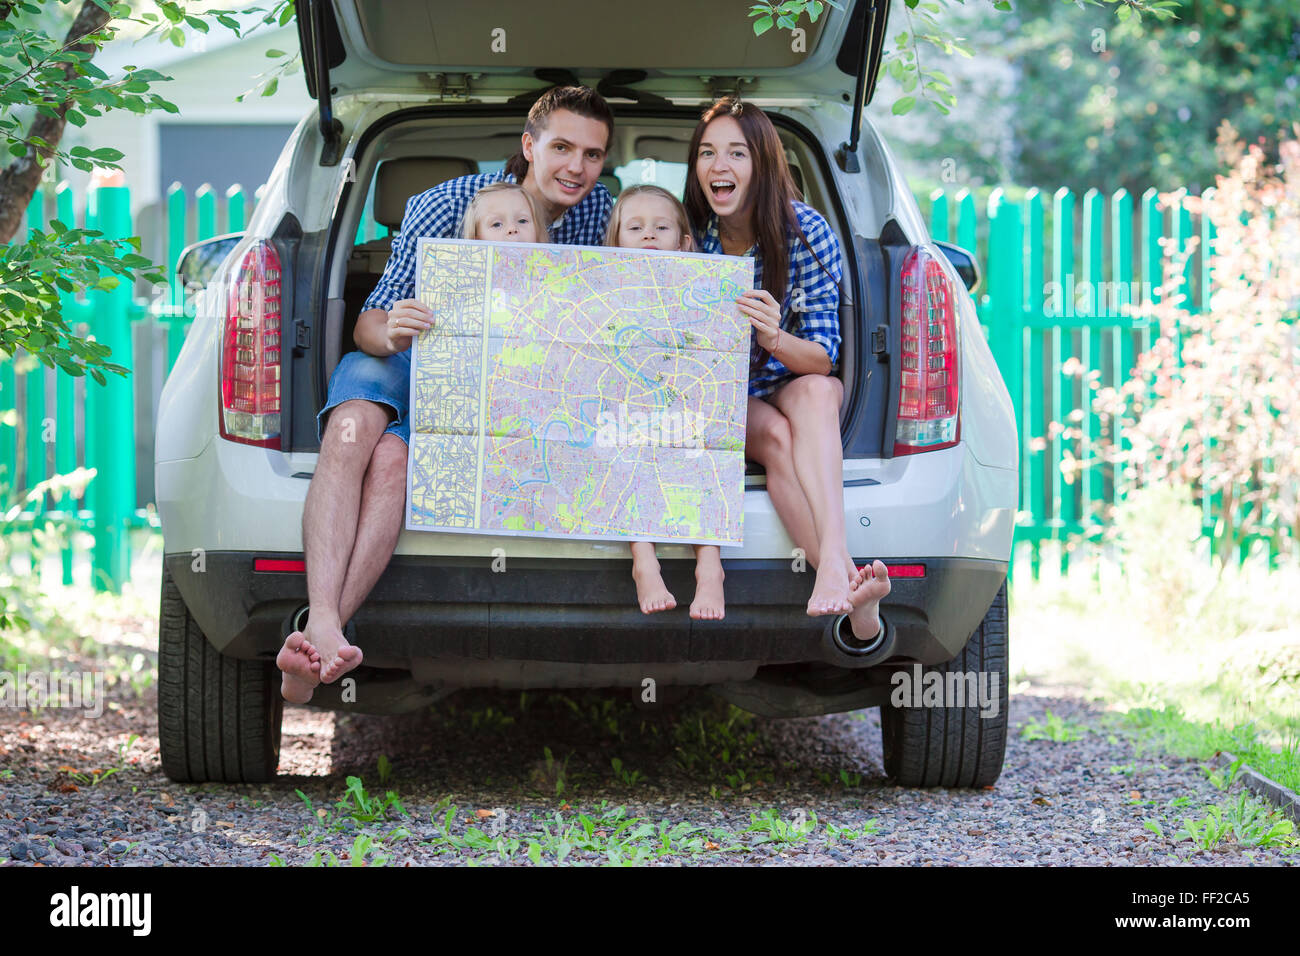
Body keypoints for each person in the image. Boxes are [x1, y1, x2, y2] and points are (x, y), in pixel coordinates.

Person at [276, 87, 616, 703]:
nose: (576, 168)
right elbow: (368, 327)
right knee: (353, 425)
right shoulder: (446, 203)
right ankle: (323, 623)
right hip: (409, 360)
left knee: (393, 461)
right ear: (528, 145)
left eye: (593, 155)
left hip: (497, 385)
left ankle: (318, 631)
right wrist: (395, 326)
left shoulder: (603, 214)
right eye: (562, 148)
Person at [684, 95, 890, 641]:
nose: (718, 167)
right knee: (775, 435)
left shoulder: (806, 230)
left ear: (763, 164)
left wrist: (772, 336)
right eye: (706, 154)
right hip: (727, 396)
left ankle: (832, 561)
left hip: (792, 373)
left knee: (820, 393)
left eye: (735, 153)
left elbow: (824, 356)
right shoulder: (692, 240)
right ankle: (853, 593)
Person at [604, 184, 727, 620]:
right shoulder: (604, 294)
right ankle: (644, 560)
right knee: (626, 450)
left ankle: (710, 568)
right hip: (628, 414)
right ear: (615, 244)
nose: (649, 235)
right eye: (635, 228)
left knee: (702, 454)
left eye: (661, 227)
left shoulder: (705, 295)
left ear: (685, 243)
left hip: (685, 411)